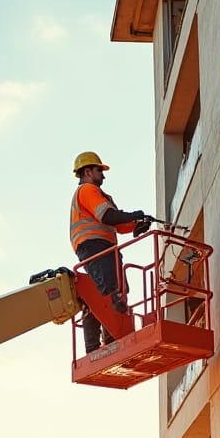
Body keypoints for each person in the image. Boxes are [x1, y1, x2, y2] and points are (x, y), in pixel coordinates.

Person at [69, 151, 153, 353]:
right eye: (100, 170)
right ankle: (106, 341)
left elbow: (118, 224)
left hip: (103, 247)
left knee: (110, 291)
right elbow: (108, 216)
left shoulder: (99, 195)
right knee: (109, 291)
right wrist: (134, 215)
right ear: (87, 171)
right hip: (93, 246)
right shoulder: (87, 190)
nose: (103, 175)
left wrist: (135, 225)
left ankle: (108, 340)